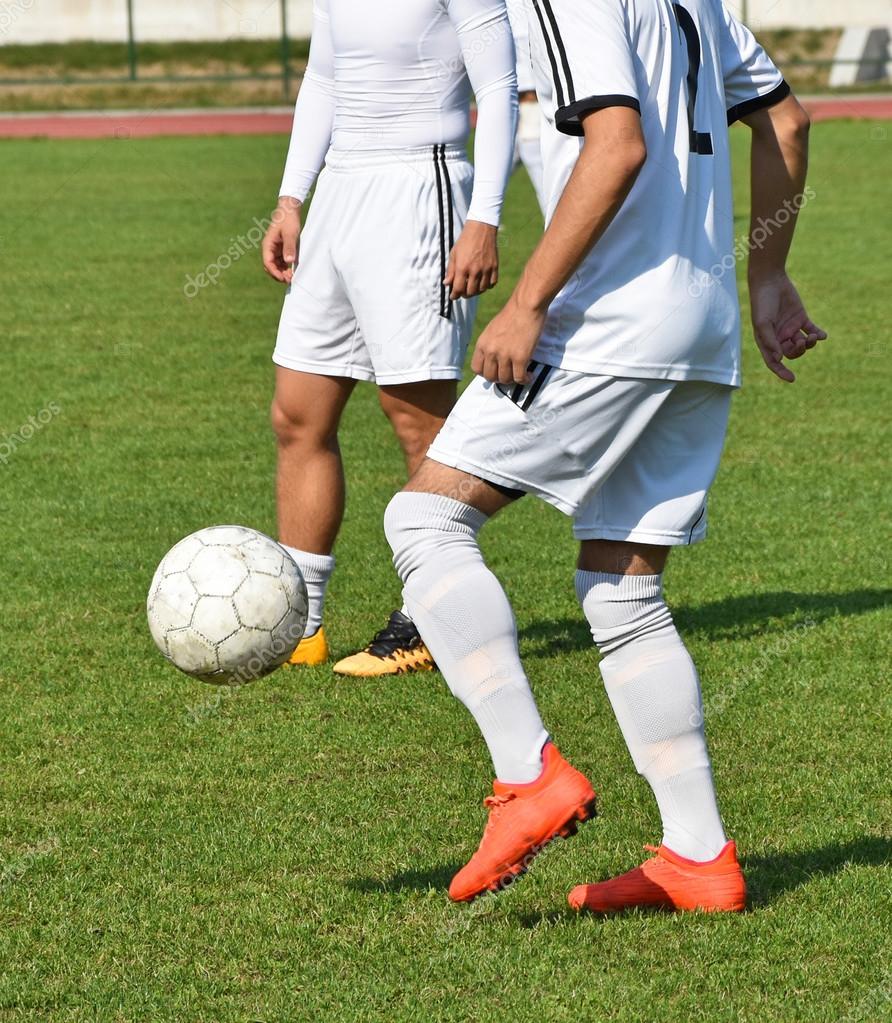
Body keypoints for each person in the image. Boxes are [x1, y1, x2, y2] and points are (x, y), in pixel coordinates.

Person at [384, 0, 825, 910]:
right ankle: (698, 857)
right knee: (622, 587)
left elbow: (616, 144)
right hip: (700, 329)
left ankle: (527, 774)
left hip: (612, 322)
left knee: (424, 517)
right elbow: (787, 116)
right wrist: (768, 274)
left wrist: (529, 301)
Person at [261, 0, 517, 677]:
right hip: (340, 193)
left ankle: (432, 620)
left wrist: (484, 218)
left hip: (419, 184)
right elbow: (324, 79)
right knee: (297, 412)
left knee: (418, 422)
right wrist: (292, 198)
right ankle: (301, 622)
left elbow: (498, 87)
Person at [506, 0, 547, 213]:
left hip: (532, 101)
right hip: (510, 101)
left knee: (541, 170)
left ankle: (555, 222)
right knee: (494, 171)